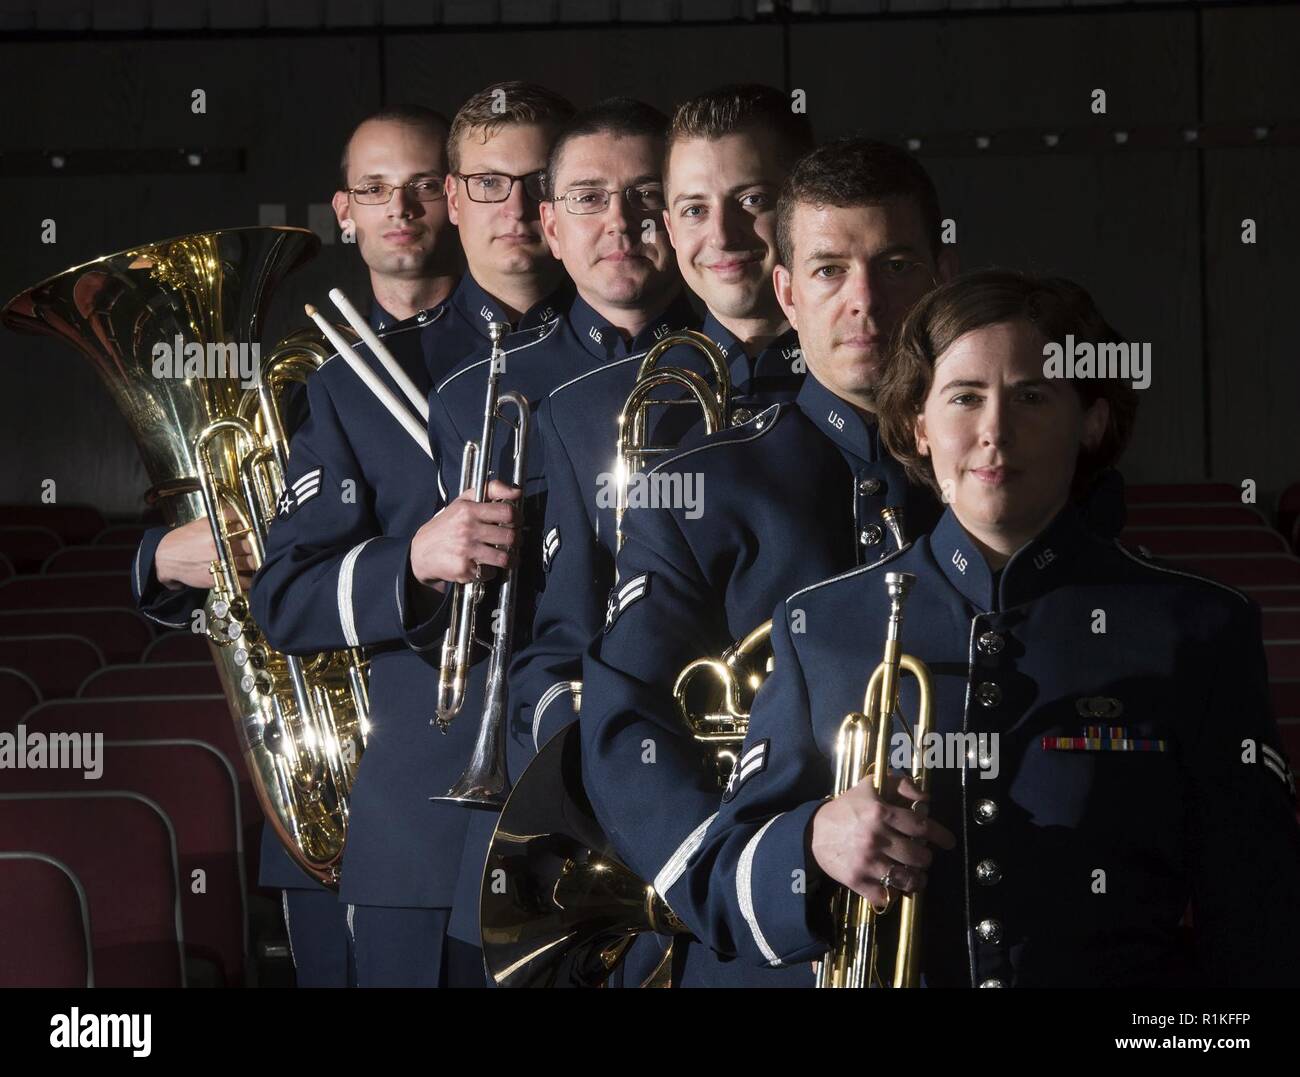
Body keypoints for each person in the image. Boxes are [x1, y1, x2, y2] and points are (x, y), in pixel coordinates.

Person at [679, 269, 1300, 987]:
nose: (994, 431)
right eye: (964, 397)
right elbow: (720, 881)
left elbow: (1258, 913)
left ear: (1092, 419)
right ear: (918, 422)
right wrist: (813, 840)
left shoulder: (1198, 627)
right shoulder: (820, 624)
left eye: (1032, 396)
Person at [579, 134, 953, 986]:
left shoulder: (1003, 476)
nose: (864, 301)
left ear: (941, 274)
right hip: (771, 945)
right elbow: (623, 724)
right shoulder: (699, 492)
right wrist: (762, 875)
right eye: (828, 270)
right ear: (785, 290)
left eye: (894, 264)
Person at [130, 102, 466, 988]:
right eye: (374, 189)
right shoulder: (298, 379)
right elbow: (235, 543)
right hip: (321, 798)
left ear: (460, 199)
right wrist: (164, 558)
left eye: (425, 185)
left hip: (447, 783)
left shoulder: (514, 353)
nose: (401, 208)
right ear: (343, 211)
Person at [250, 84, 575, 987]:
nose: (513, 208)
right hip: (425, 829)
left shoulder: (635, 355)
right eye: (488, 184)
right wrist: (415, 561)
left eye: (540, 184)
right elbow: (282, 597)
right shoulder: (358, 381)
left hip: (609, 808)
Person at [399, 96, 699, 974]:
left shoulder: (746, 374)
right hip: (546, 776)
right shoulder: (475, 395)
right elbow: (460, 626)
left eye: (649, 196)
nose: (621, 223)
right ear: (552, 226)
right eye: (591, 199)